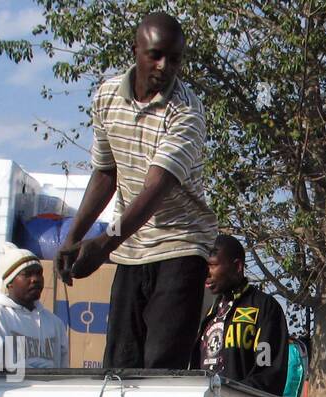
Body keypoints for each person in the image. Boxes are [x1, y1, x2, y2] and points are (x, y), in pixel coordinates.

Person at [56, 12, 217, 369]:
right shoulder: (107, 96)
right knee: (120, 364)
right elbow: (105, 175)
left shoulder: (187, 112)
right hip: (130, 248)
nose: (164, 66)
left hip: (180, 244)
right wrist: (74, 238)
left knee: (160, 366)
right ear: (136, 50)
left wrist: (104, 242)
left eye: (174, 59)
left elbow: (155, 187)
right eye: (156, 55)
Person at [192, 234, 290, 395]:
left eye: (213, 265)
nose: (206, 273)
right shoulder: (211, 312)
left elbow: (269, 375)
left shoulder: (264, 307)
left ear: (237, 266)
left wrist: (231, 393)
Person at [0, 244, 68, 371]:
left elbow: (63, 375)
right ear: (10, 282)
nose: (35, 279)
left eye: (39, 273)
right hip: (10, 389)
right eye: (27, 274)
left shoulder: (55, 323)